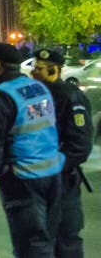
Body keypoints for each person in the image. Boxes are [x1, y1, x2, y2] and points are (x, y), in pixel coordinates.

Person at [0, 43, 64, 258]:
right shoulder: (38, 88)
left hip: (23, 178)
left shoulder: (0, 97)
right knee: (45, 239)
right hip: (52, 174)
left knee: (30, 245)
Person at [30, 49, 93, 257]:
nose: (33, 72)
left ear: (54, 70)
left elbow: (80, 146)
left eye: (39, 69)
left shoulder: (71, 96)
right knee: (41, 241)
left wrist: (54, 166)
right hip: (40, 182)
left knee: (67, 243)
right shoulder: (37, 96)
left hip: (63, 182)